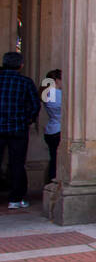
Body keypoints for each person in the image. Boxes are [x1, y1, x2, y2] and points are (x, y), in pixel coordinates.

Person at [0, 52, 40, 209]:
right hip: (18, 129)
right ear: (21, 65)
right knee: (17, 163)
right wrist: (26, 120)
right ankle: (15, 198)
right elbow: (35, 105)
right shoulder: (25, 82)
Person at [41, 69, 61, 185]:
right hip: (57, 130)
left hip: (51, 130)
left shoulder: (47, 92)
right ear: (57, 80)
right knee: (56, 162)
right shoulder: (55, 93)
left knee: (54, 160)